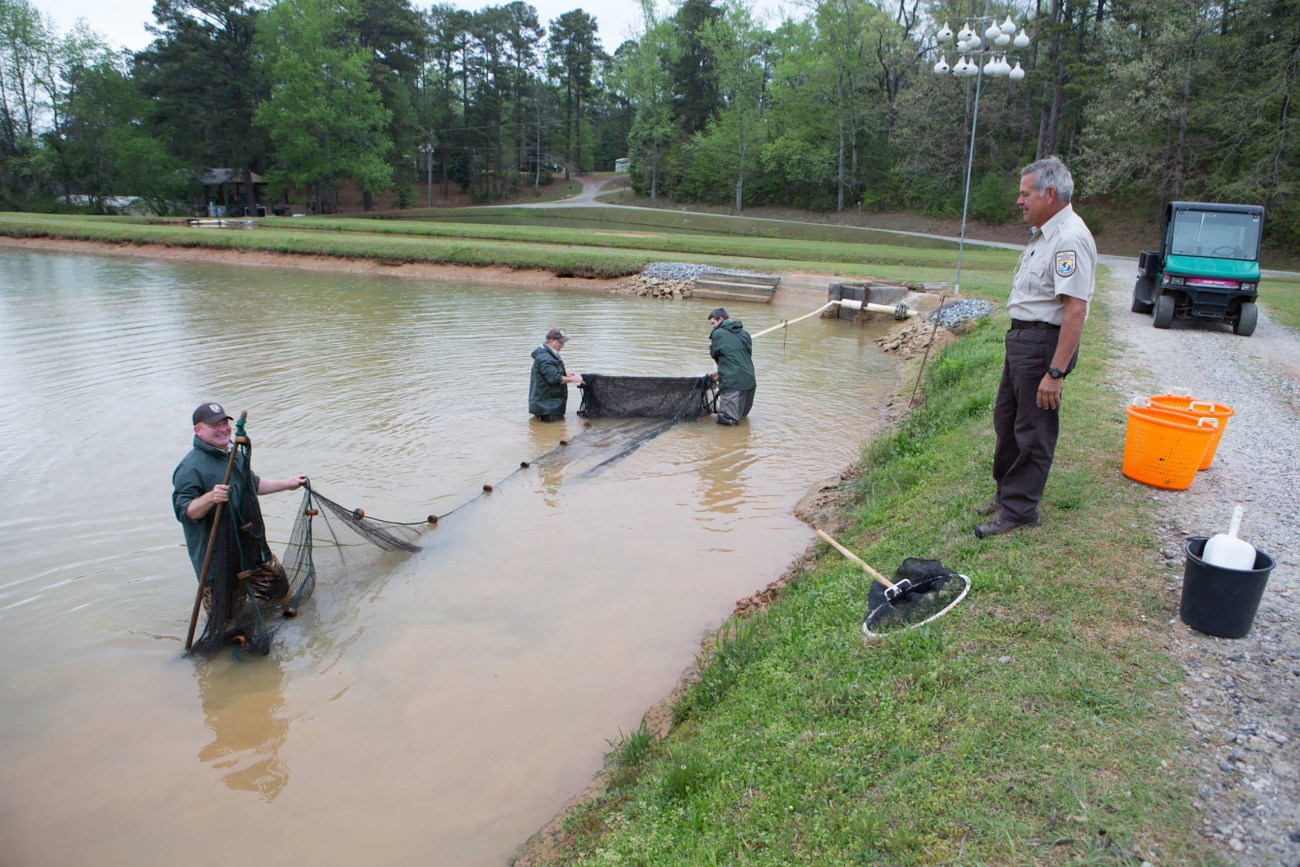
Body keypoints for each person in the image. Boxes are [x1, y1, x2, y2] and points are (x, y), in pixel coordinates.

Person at [977, 157, 1096, 539]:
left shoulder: (1069, 239)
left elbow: (1075, 310)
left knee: (1034, 429)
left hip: (1043, 344)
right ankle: (1006, 493)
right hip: (1023, 340)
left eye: (1025, 193)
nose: (1019, 201)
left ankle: (1020, 510)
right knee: (1007, 421)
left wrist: (1056, 373)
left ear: (1049, 193)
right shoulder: (1044, 234)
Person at [172, 402, 306, 583]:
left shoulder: (234, 453)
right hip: (219, 561)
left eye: (224, 424)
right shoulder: (190, 467)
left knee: (279, 592)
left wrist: (288, 484)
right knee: (231, 611)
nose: (222, 430)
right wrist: (210, 498)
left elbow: (252, 485)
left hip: (252, 549)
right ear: (198, 430)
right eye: (214, 426)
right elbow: (185, 512)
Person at [707, 307, 756, 426]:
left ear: (721, 319)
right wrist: (721, 374)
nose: (712, 326)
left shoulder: (717, 333)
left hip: (732, 385)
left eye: (713, 323)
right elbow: (743, 358)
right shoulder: (745, 334)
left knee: (727, 423)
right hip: (749, 382)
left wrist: (721, 374)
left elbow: (716, 355)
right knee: (741, 419)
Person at [529, 328, 583, 422]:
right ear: (551, 341)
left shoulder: (548, 354)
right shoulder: (545, 358)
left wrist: (565, 375)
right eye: (561, 342)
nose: (563, 345)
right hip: (548, 408)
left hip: (544, 406)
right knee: (554, 432)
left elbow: (548, 374)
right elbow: (554, 379)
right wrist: (573, 379)